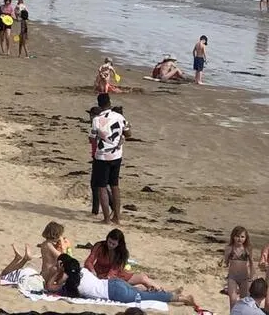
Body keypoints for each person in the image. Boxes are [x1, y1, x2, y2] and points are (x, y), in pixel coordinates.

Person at [46, 254, 195, 307]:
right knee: (141, 292)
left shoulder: (68, 280)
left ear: (62, 266)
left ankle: (184, 299)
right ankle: (170, 292)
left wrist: (58, 271)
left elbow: (49, 287)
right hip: (113, 283)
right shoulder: (82, 270)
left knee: (146, 296)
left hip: (114, 293)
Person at [90, 92, 128, 224]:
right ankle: (117, 216)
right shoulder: (119, 116)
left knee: (102, 187)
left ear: (99, 104)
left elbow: (92, 138)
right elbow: (128, 132)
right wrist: (119, 139)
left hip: (102, 156)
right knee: (115, 185)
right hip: (117, 155)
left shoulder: (96, 120)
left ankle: (106, 218)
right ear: (110, 102)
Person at [85, 228, 163, 290]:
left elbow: (114, 271)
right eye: (109, 242)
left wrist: (107, 278)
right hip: (97, 273)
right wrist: (92, 271)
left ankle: (160, 291)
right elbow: (89, 261)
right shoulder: (99, 246)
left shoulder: (122, 253)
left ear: (119, 244)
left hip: (116, 275)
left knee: (143, 278)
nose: (110, 245)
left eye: (113, 244)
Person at [224, 226, 255, 308]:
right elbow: (226, 263)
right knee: (233, 300)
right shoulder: (229, 248)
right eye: (237, 236)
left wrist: (251, 277)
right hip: (232, 277)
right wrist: (226, 258)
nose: (240, 239)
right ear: (233, 236)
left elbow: (252, 263)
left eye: (242, 237)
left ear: (246, 238)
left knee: (244, 300)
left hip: (244, 278)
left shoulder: (248, 248)